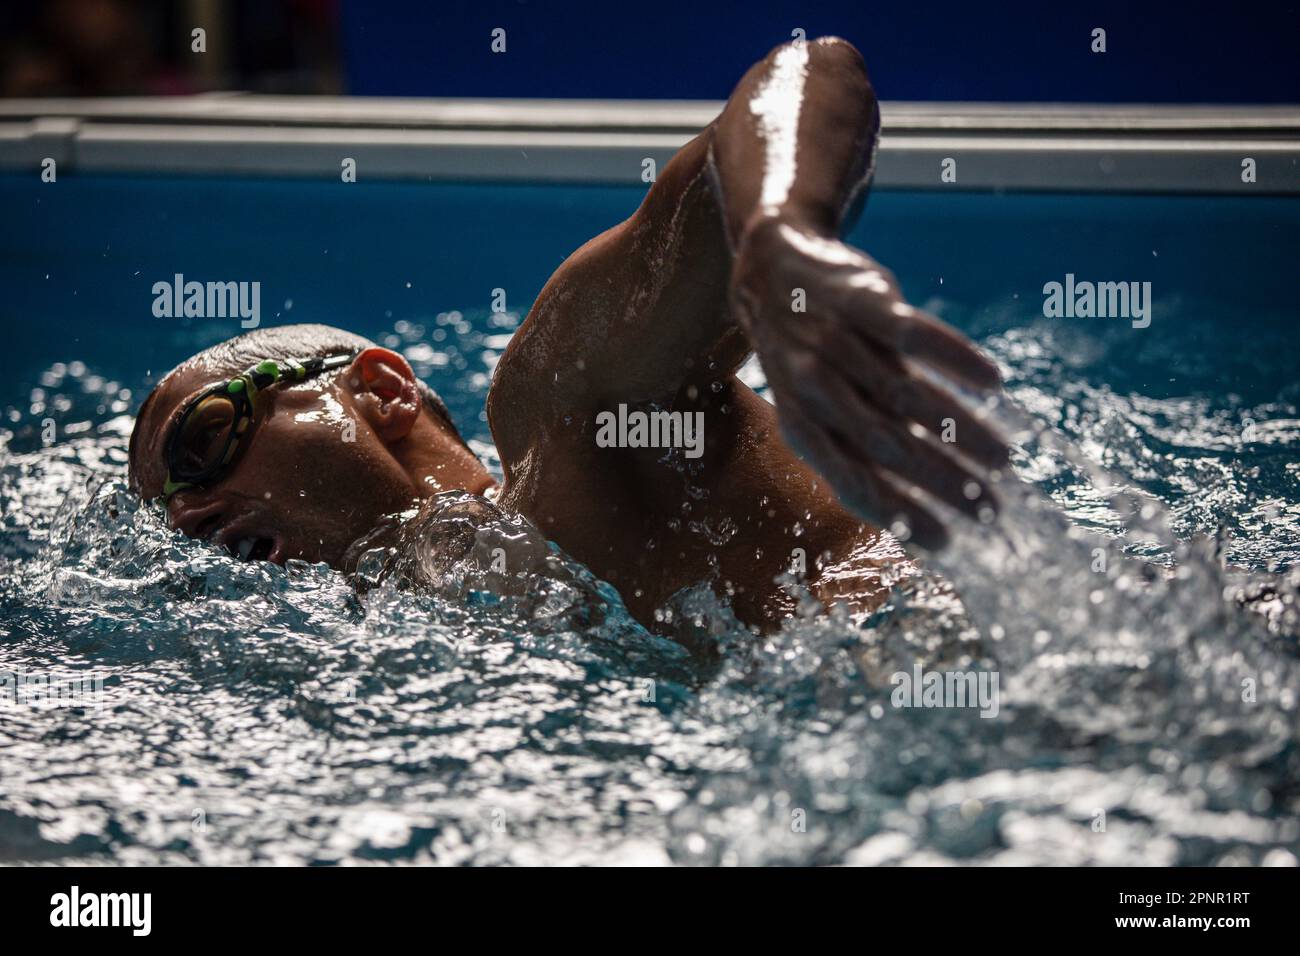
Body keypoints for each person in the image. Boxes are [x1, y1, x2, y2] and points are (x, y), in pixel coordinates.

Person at [128, 37, 1006, 631]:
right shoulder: (461, 648)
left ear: (380, 391)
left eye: (207, 441)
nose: (189, 511)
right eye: (168, 517)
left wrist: (781, 234)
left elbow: (815, 70)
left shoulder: (564, 417)